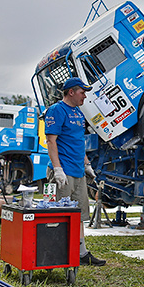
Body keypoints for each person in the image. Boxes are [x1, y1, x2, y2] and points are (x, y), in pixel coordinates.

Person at [46, 77, 105, 266]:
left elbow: (79, 143)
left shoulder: (78, 113)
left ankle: (81, 252)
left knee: (78, 214)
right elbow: (51, 141)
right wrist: (57, 169)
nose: (85, 96)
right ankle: (55, 252)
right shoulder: (57, 110)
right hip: (63, 172)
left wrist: (87, 164)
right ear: (71, 92)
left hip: (78, 171)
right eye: (82, 92)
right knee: (59, 214)